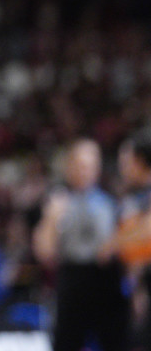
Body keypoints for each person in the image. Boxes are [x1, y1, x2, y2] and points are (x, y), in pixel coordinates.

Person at [32, 138, 127, 351]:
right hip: (72, 281)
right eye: (81, 165)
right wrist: (51, 219)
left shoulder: (112, 201)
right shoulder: (57, 201)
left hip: (106, 282)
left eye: (91, 166)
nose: (86, 172)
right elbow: (44, 252)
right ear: (69, 167)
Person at [107, 128, 151, 350]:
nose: (122, 168)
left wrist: (110, 243)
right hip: (137, 286)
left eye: (126, 161)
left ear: (140, 160)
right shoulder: (131, 196)